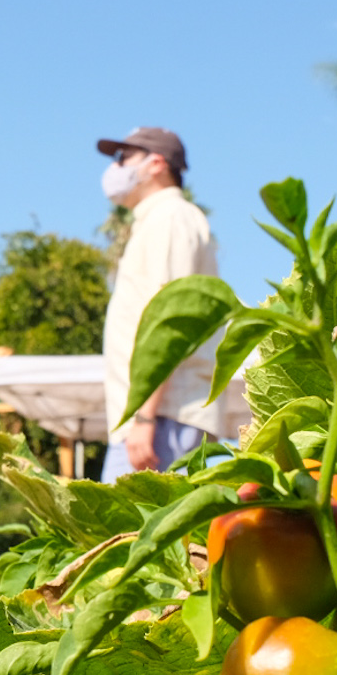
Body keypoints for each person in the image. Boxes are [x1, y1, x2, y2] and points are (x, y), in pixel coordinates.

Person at [95, 127, 224, 480]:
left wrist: (144, 416)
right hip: (156, 415)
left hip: (162, 416)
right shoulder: (157, 220)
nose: (117, 167)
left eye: (124, 158)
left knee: (131, 533)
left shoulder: (171, 217)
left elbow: (169, 321)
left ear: (156, 163)